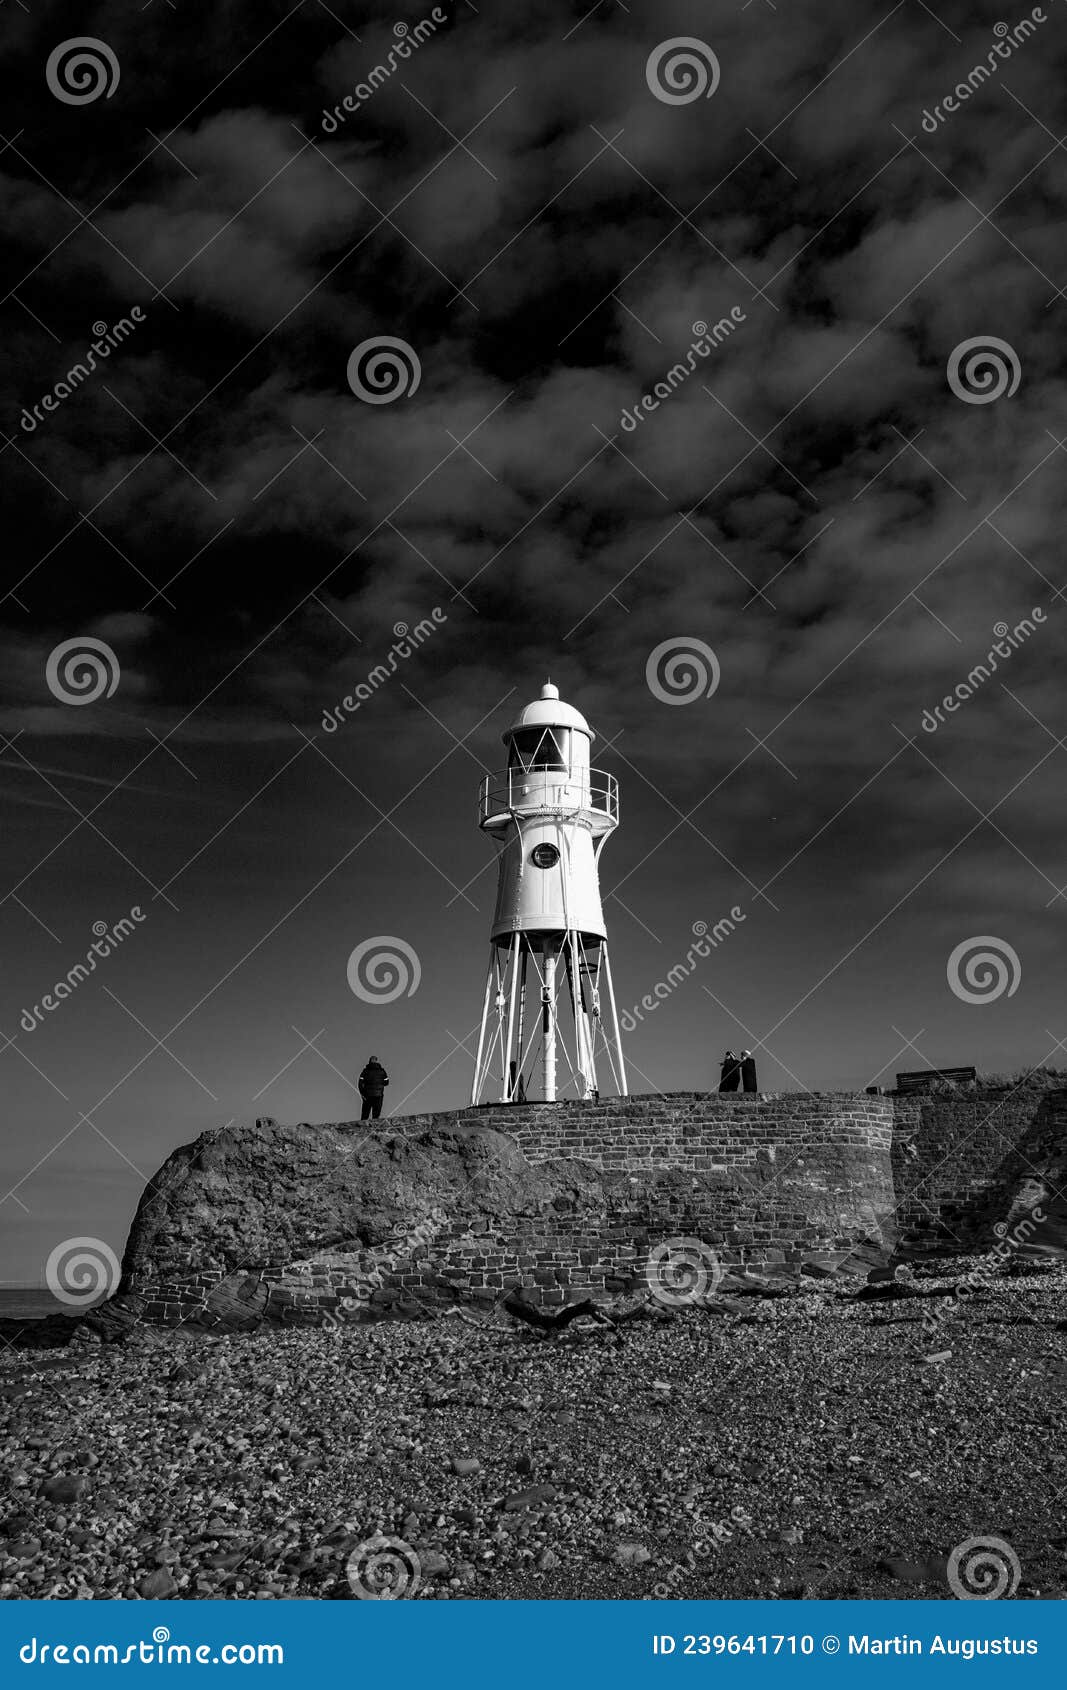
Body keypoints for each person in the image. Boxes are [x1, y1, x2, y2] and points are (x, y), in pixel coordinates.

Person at [358, 1055, 389, 1120]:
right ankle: (375, 1127)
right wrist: (380, 1085)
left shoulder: (365, 1071)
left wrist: (362, 1093)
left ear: (369, 1061)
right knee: (376, 1114)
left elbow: (360, 1083)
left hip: (367, 1094)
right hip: (379, 1094)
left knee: (365, 1113)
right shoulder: (382, 1071)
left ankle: (363, 1126)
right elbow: (386, 1082)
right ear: (376, 1061)